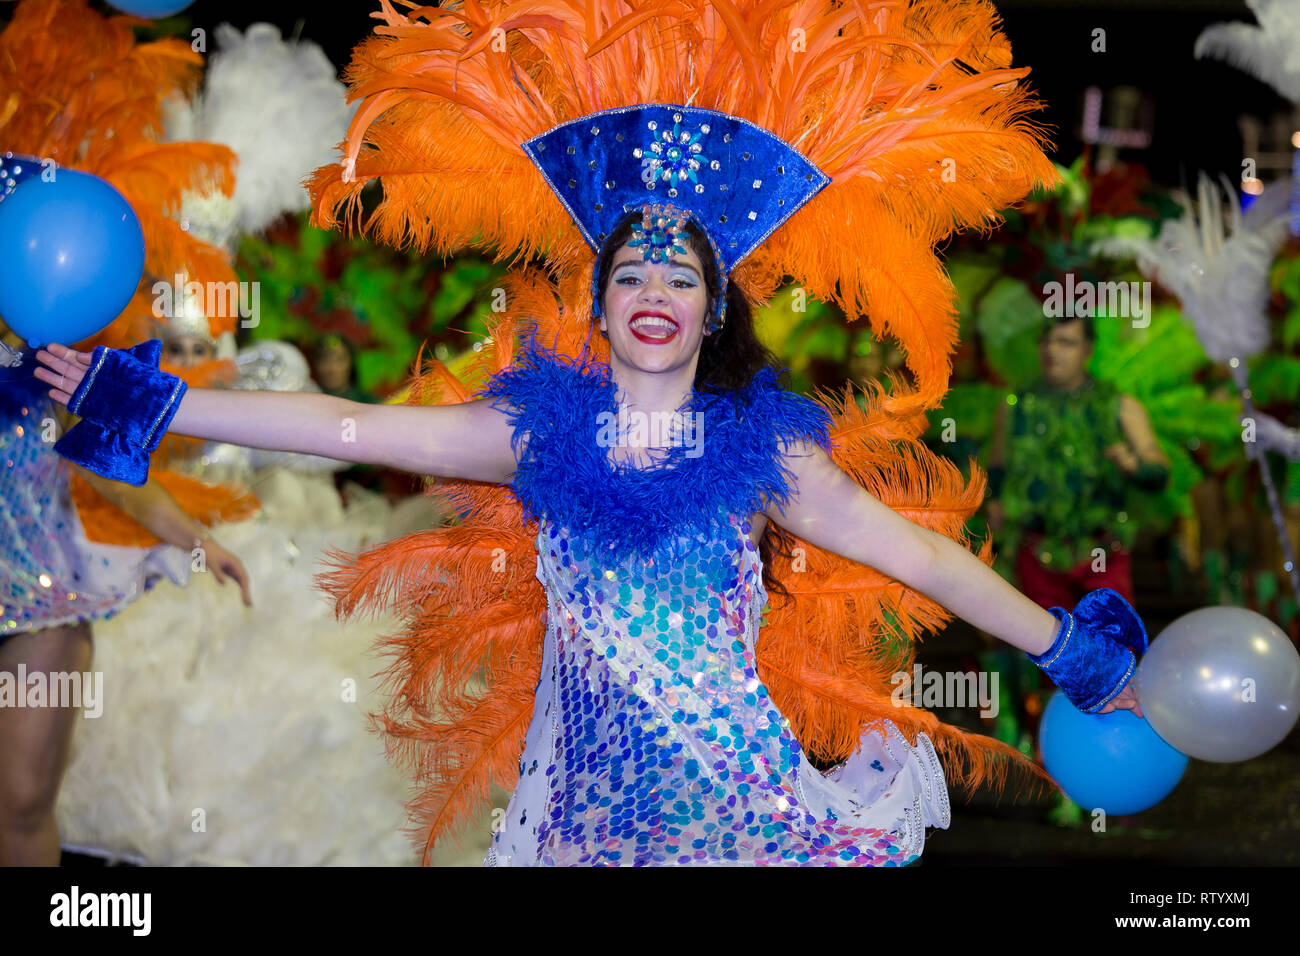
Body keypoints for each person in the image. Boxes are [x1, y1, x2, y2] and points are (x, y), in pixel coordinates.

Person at [0, 325, 251, 866]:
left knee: (21, 804)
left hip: (40, 608)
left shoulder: (50, 366)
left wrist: (201, 542)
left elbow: (113, 474)